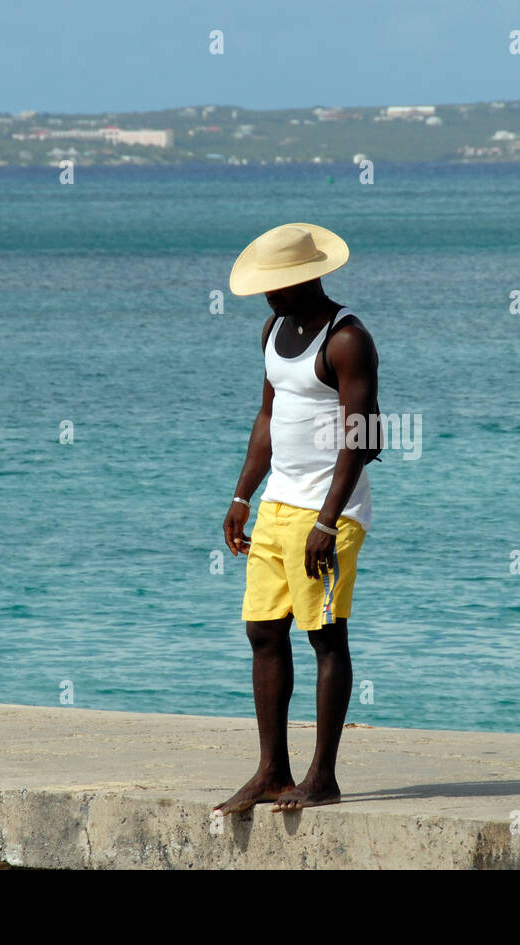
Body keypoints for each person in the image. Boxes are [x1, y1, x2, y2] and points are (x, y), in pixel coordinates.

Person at [215, 222, 379, 814]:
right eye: (267, 286)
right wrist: (240, 498)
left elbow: (364, 437)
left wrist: (329, 521)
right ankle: (272, 772)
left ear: (313, 276)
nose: (272, 295)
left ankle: (323, 777)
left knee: (325, 636)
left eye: (282, 284)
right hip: (278, 504)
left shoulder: (348, 338)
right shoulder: (273, 329)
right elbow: (267, 418)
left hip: (329, 512)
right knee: (263, 630)